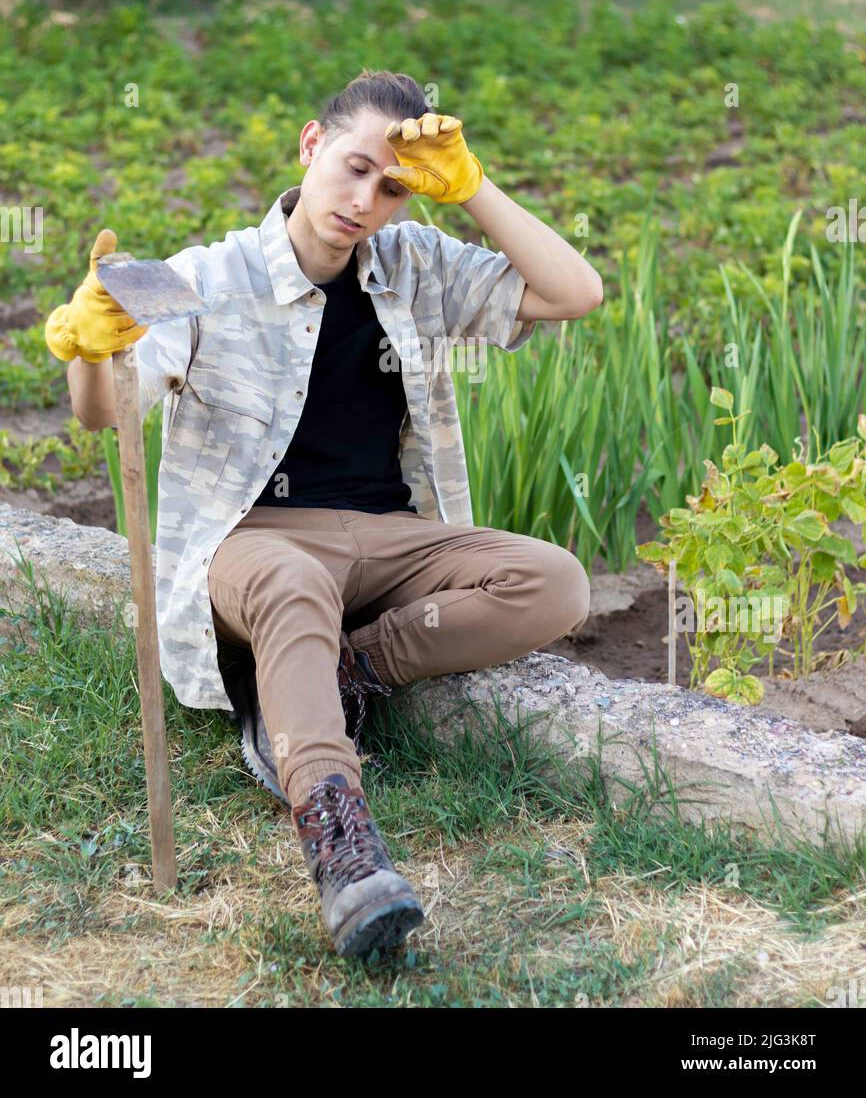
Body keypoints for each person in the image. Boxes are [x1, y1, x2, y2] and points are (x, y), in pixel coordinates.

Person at [46, 68, 604, 961]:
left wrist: (476, 189)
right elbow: (106, 410)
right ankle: (344, 850)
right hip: (255, 545)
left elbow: (575, 293)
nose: (364, 201)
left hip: (389, 538)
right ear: (310, 144)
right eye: (351, 169)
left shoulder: (414, 263)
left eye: (392, 188)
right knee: (295, 577)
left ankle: (333, 682)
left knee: (553, 581)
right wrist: (89, 347)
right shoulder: (197, 277)